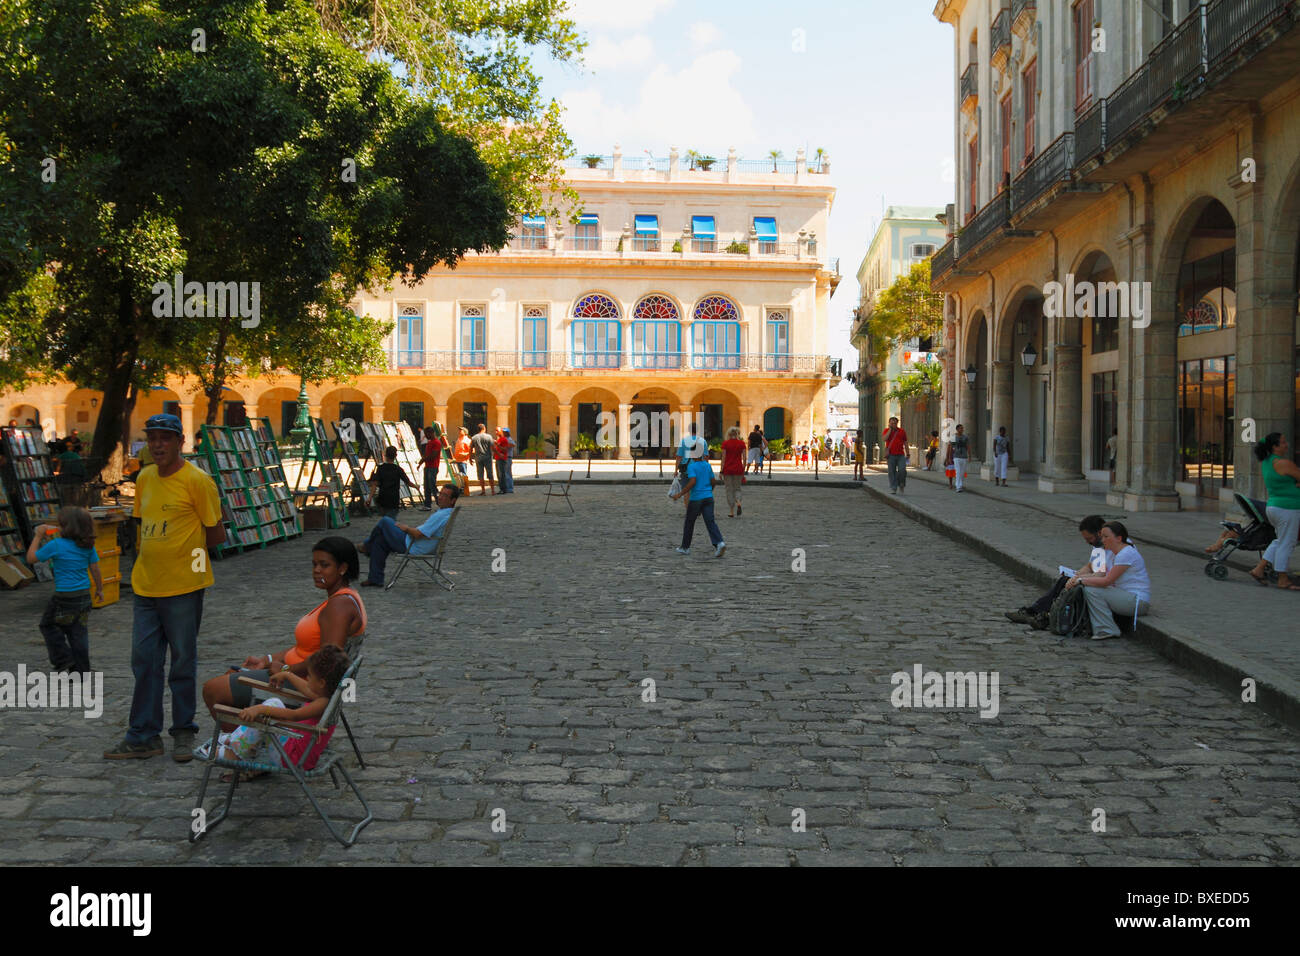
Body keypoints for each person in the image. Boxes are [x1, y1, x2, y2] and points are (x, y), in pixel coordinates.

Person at [104, 413, 224, 762]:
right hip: (145, 587)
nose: (157, 445)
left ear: (179, 442)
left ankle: (183, 731)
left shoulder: (198, 482)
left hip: (184, 589)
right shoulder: (144, 477)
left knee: (182, 662)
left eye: (165, 438)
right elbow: (143, 525)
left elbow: (215, 535)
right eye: (152, 438)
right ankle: (143, 734)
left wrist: (195, 574)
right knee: (144, 662)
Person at [202, 537, 366, 727]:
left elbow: (327, 661)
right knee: (230, 674)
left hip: (303, 684)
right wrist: (268, 660)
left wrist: (286, 670)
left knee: (213, 690)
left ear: (342, 568)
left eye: (324, 565)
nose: (316, 571)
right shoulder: (341, 598)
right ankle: (250, 739)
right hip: (295, 673)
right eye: (314, 564)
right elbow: (307, 646)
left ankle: (241, 747)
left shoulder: (339, 606)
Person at [213, 644, 351, 780]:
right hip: (295, 752)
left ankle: (234, 752)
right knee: (275, 705)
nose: (307, 679)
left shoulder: (322, 703)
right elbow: (307, 688)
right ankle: (236, 741)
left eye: (309, 676)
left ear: (321, 683)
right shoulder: (328, 696)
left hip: (292, 759)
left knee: (273, 704)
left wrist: (259, 709)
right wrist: (287, 675)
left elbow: (294, 715)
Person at [28, 507, 103, 673]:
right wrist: (100, 589)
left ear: (66, 527)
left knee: (48, 625)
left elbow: (31, 558)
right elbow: (95, 569)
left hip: (64, 596)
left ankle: (63, 659)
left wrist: (38, 536)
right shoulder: (88, 545)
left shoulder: (56, 545)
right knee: (78, 633)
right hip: (84, 595)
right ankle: (81, 671)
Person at [1005, 515, 1108, 629]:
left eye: (1089, 539)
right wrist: (1078, 574)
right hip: (1098, 580)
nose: (1088, 542)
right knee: (1065, 580)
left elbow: (1102, 574)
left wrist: (1079, 579)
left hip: (1106, 585)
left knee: (1072, 585)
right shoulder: (1098, 546)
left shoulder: (1112, 547)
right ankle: (1039, 613)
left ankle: (1044, 615)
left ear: (1099, 533)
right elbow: (1090, 566)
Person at [357, 482, 460, 586]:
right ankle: (375, 579)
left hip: (413, 546)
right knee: (380, 541)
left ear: (453, 500)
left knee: (385, 521)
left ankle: (366, 545)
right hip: (415, 543)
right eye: (440, 494)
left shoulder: (441, 515)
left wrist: (406, 528)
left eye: (445, 496)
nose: (440, 497)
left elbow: (418, 534)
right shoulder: (446, 513)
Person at [1068, 521, 1151, 640]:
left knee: (1093, 590)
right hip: (1124, 595)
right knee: (1090, 587)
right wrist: (1077, 578)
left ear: (1118, 538)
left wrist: (1081, 581)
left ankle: (1106, 628)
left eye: (1106, 537)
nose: (1103, 540)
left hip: (1137, 602)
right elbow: (1099, 572)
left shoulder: (1125, 554)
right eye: (1102, 536)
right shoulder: (1114, 553)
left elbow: (1107, 581)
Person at [1249, 432, 1300, 591]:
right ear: (1275, 447)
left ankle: (1259, 569)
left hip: (1274, 507)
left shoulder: (1267, 461)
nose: (1287, 445)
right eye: (1283, 442)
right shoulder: (1284, 463)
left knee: (1280, 540)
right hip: (1288, 508)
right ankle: (1282, 579)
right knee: (1287, 543)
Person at [670, 440, 725, 557]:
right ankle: (719, 543)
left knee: (689, 522)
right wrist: (709, 491)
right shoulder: (707, 465)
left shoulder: (692, 467)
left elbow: (692, 482)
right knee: (710, 522)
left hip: (696, 499)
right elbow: (713, 481)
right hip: (708, 498)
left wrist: (680, 494)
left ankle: (685, 547)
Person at [367, 445, 415, 518]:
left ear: (385, 455)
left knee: (384, 519)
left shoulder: (380, 468)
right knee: (391, 520)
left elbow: (375, 484)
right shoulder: (398, 469)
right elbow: (408, 482)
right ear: (395, 456)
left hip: (383, 497)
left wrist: (369, 498)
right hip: (393, 498)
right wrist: (416, 486)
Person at [720, 426, 747, 517]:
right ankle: (738, 502)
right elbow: (744, 458)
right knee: (737, 488)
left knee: (729, 489)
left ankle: (731, 511)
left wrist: (721, 470)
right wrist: (743, 468)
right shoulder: (742, 443)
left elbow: (723, 458)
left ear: (729, 434)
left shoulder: (725, 444)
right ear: (737, 434)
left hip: (727, 469)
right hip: (738, 469)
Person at [420, 425, 444, 510]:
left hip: (433, 467)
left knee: (432, 486)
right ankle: (427, 505)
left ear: (431, 433)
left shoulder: (436, 442)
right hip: (428, 467)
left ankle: (440, 503)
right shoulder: (429, 442)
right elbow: (427, 454)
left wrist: (423, 460)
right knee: (426, 486)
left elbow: (433, 455)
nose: (425, 436)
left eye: (426, 434)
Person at [882, 416, 907, 494]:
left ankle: (901, 484)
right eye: (891, 423)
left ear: (897, 423)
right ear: (889, 423)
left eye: (894, 423)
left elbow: (906, 442)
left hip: (901, 455)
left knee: (902, 470)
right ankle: (893, 487)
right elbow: (884, 439)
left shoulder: (902, 431)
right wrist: (890, 430)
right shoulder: (886, 430)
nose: (893, 425)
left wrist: (908, 453)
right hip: (891, 455)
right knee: (892, 472)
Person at [470, 423, 496, 496]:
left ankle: (483, 491)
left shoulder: (474, 437)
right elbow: (493, 447)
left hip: (478, 458)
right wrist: (498, 453)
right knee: (490, 474)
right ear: (484, 428)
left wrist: (470, 458)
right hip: (487, 457)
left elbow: (470, 448)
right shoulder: (489, 437)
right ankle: (493, 491)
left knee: (480, 475)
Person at [950, 424, 970, 492]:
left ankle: (960, 484)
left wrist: (969, 456)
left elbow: (968, 446)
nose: (962, 429)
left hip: (964, 456)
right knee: (958, 471)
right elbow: (950, 447)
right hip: (956, 456)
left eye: (962, 428)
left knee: (962, 472)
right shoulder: (953, 437)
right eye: (961, 428)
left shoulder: (965, 437)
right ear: (957, 429)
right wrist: (949, 457)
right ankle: (958, 486)